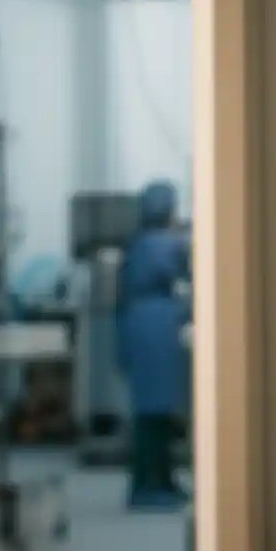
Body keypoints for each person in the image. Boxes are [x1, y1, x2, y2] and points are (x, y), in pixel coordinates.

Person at [118, 181, 191, 510]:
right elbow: (188, 274)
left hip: (137, 328)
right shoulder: (168, 244)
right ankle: (151, 486)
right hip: (159, 330)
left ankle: (159, 481)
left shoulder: (137, 243)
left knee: (150, 415)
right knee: (157, 417)